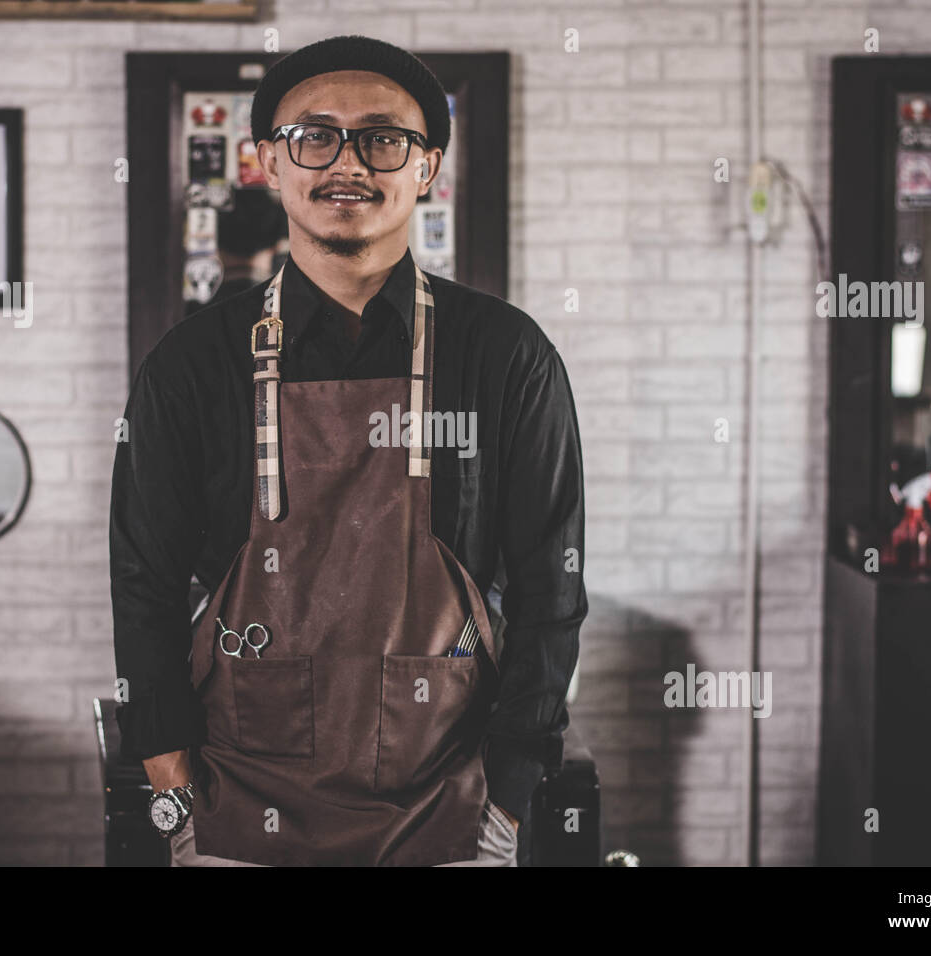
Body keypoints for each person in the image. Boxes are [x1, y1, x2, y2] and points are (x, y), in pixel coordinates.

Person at [110, 34, 587, 867]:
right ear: (269, 162)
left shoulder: (507, 357)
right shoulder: (190, 366)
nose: (347, 163)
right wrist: (175, 792)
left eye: (383, 137)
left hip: (453, 817)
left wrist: (509, 799)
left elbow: (554, 586)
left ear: (426, 168)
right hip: (233, 815)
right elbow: (142, 581)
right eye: (314, 135)